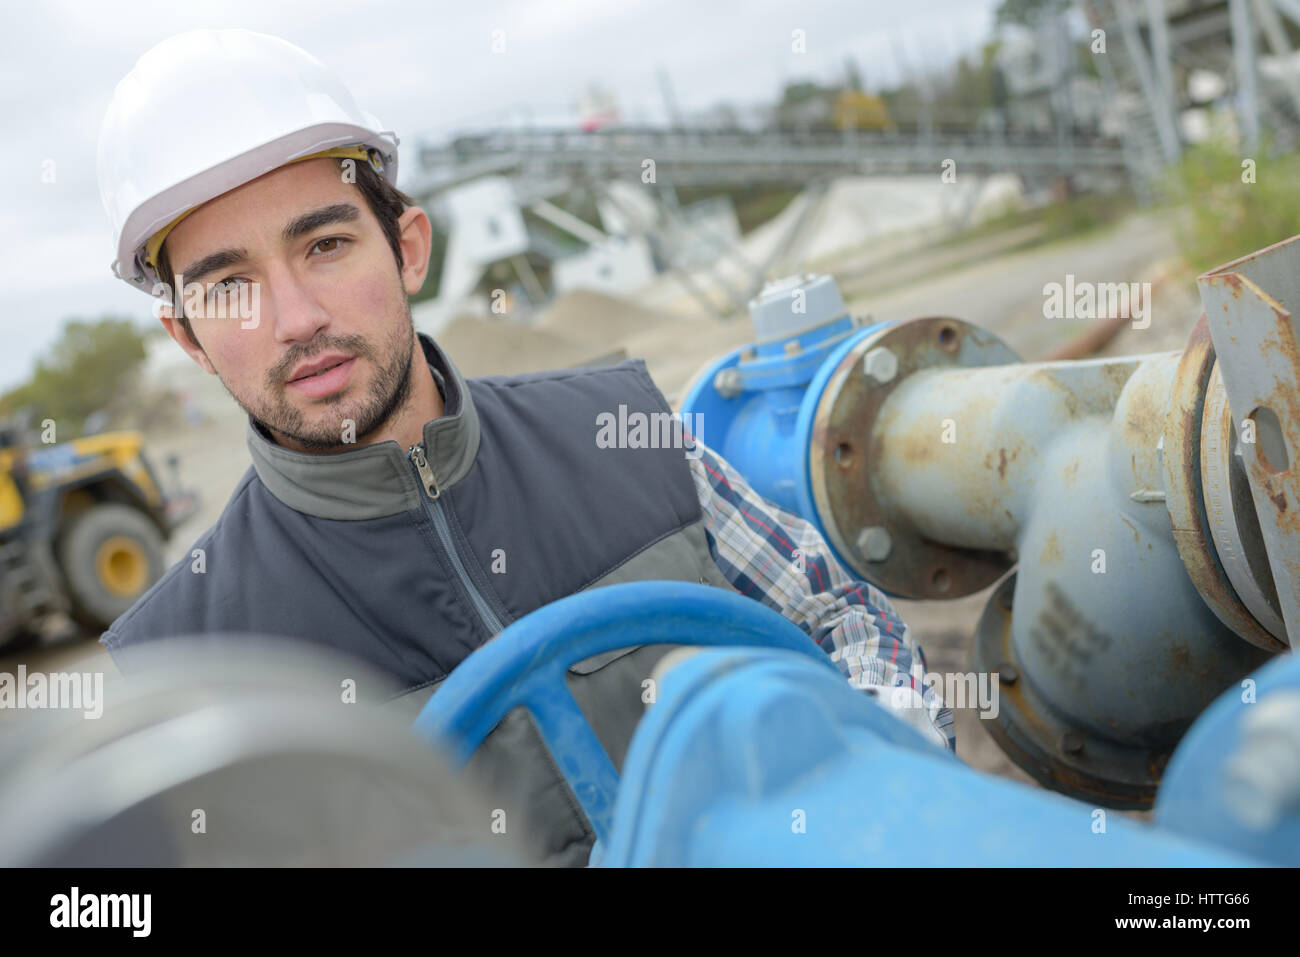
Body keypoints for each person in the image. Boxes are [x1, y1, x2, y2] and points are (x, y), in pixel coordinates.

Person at [97, 28, 953, 865]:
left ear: (407, 248)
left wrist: (891, 757)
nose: (295, 318)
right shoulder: (177, 674)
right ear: (187, 336)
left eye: (325, 245)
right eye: (230, 286)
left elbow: (833, 614)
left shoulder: (623, 435)